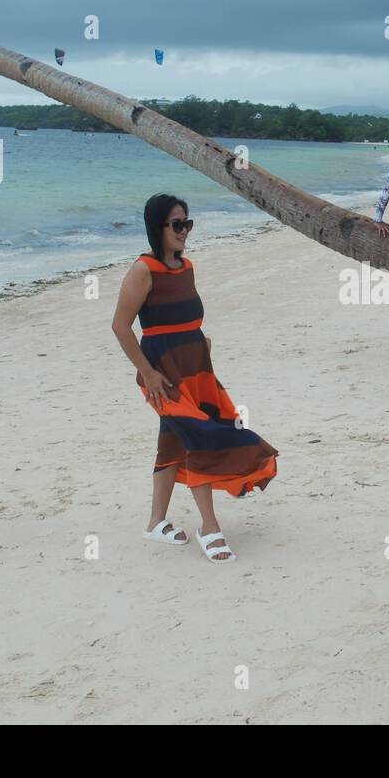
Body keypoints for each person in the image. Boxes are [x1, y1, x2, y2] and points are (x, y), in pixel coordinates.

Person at [111, 194, 278, 563]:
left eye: (188, 223)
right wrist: (148, 373)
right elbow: (121, 326)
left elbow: (186, 319)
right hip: (162, 376)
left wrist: (202, 344)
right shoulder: (144, 269)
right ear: (158, 227)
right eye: (176, 225)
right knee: (199, 437)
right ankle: (209, 526)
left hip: (197, 371)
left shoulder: (186, 267)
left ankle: (155, 521)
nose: (184, 231)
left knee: (174, 440)